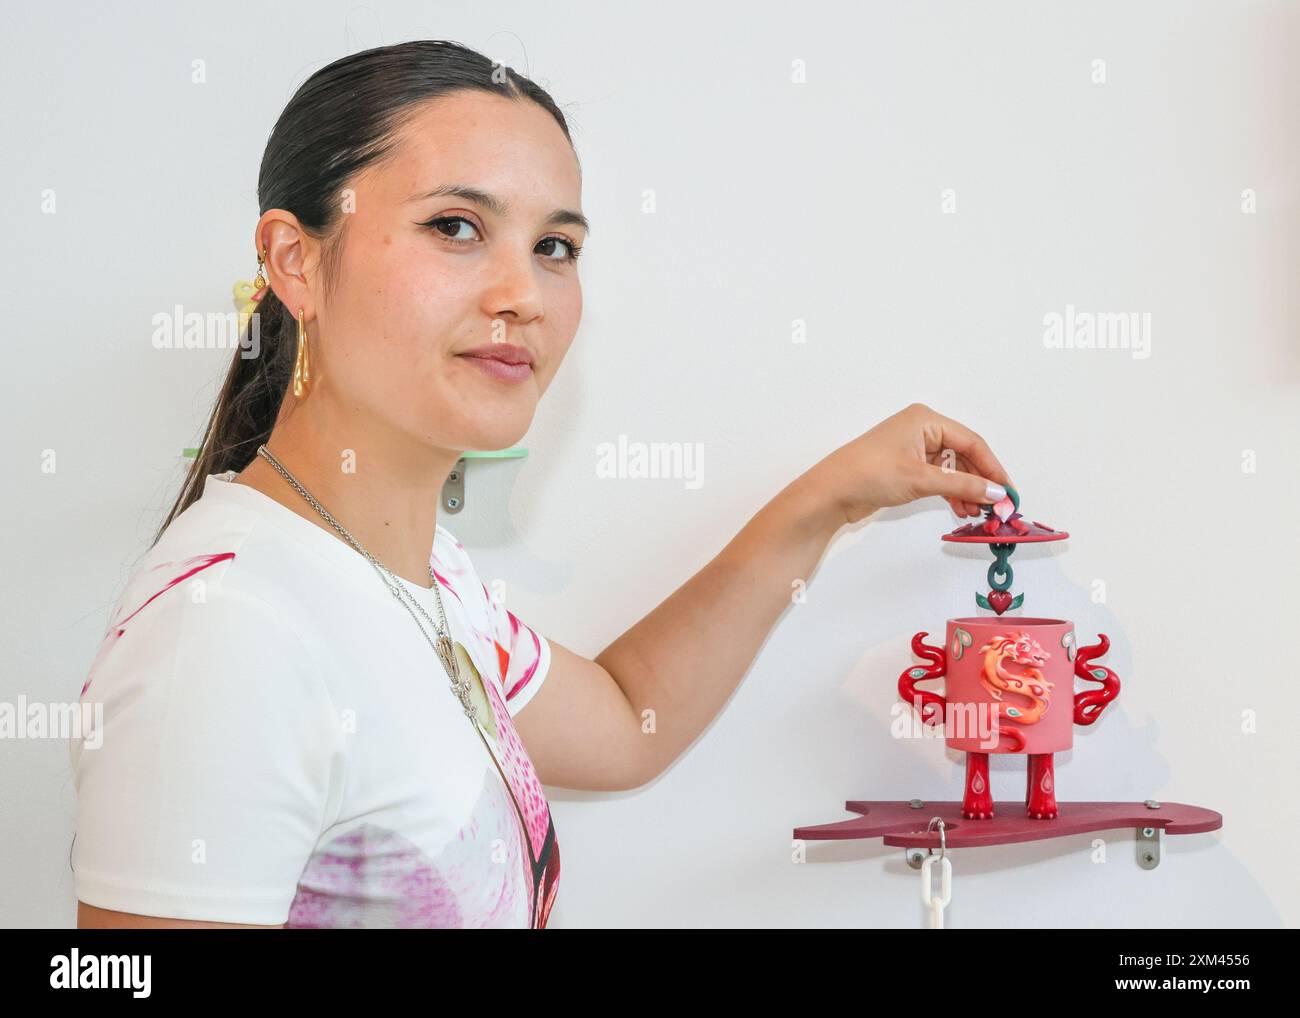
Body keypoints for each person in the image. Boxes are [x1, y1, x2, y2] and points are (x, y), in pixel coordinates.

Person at [70, 40, 1012, 929]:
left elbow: (623, 717)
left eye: (555, 246)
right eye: (456, 227)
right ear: (296, 262)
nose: (523, 292)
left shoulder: (422, 579)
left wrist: (833, 496)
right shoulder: (228, 636)